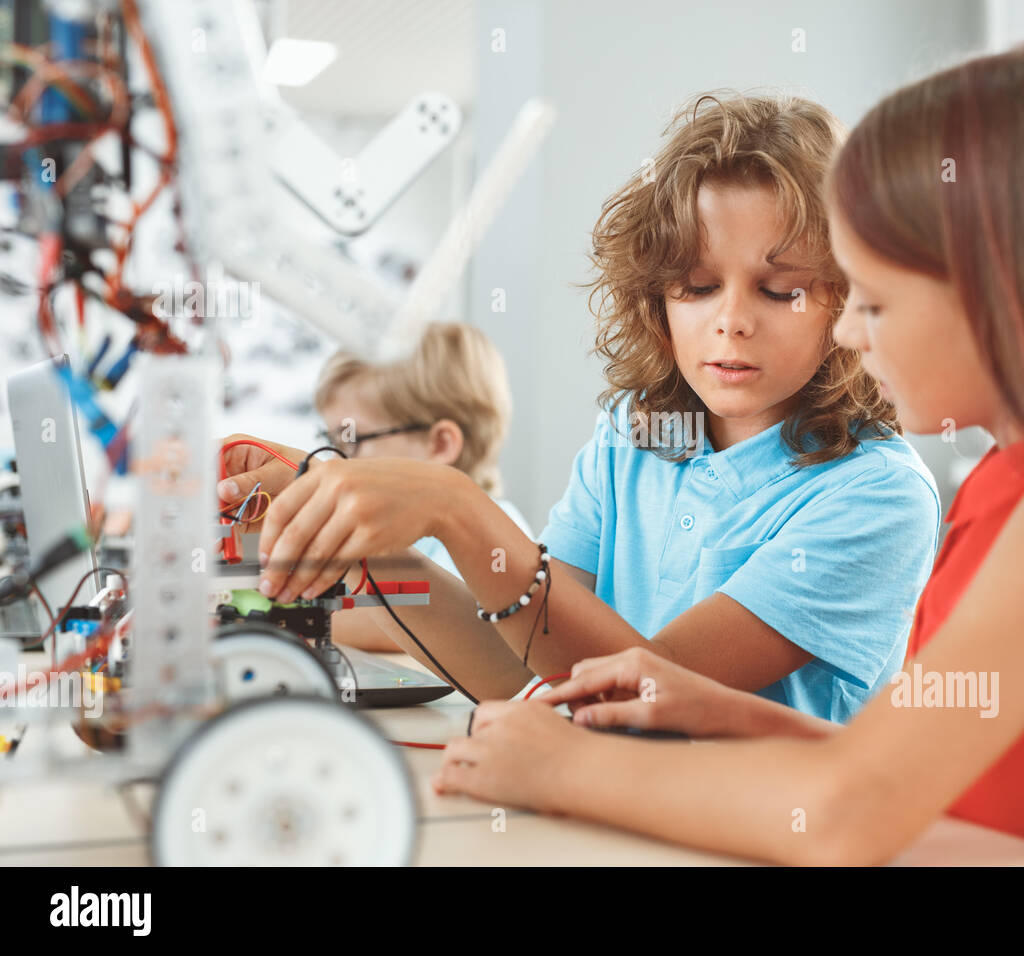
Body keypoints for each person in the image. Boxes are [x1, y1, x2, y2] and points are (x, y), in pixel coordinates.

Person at [430, 44, 1024, 866]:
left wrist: (564, 772)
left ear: (1000, 294)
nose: (847, 332)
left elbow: (849, 813)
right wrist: (730, 714)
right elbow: (899, 767)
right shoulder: (1013, 486)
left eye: (873, 303)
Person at [216, 91, 941, 721]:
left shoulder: (877, 495)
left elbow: (643, 691)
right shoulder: (632, 436)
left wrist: (455, 508)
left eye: (778, 291)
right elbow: (531, 670)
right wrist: (362, 541)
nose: (731, 320)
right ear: (655, 296)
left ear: (848, 298)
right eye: (695, 286)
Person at [312, 321, 533, 652]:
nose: (333, 461)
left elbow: (419, 627)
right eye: (329, 440)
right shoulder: (388, 537)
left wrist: (282, 611)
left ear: (440, 445)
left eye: (352, 440)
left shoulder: (494, 533)